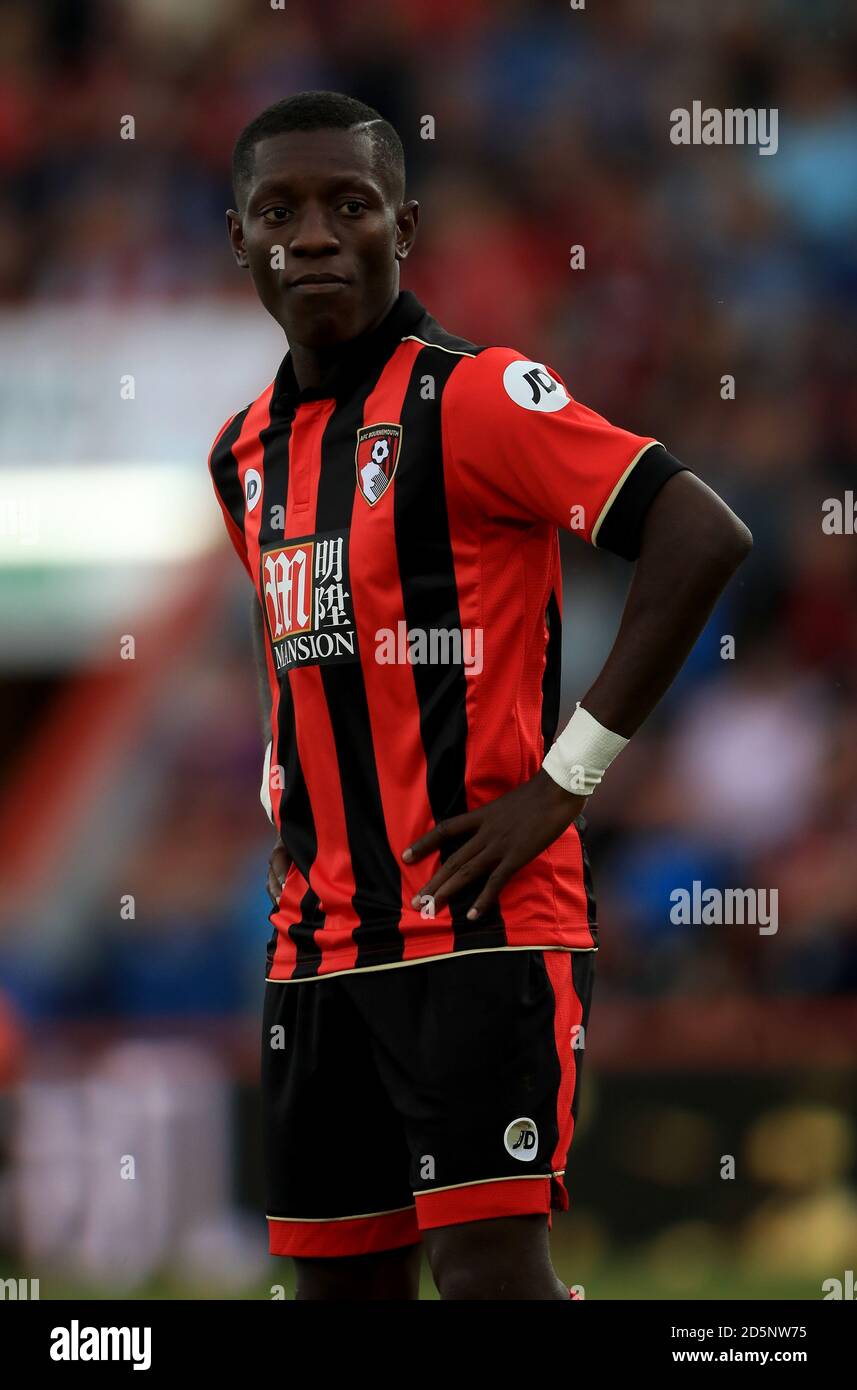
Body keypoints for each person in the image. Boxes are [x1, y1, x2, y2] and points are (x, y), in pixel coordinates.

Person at [208, 91, 752, 1300]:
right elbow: (302, 653)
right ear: (235, 237)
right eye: (277, 210)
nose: (310, 236)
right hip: (314, 944)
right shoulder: (241, 452)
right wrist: (282, 781)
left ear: (402, 227)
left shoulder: (477, 395)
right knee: (338, 1290)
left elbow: (700, 533)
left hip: (481, 923)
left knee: (489, 1273)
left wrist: (563, 783)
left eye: (347, 206)